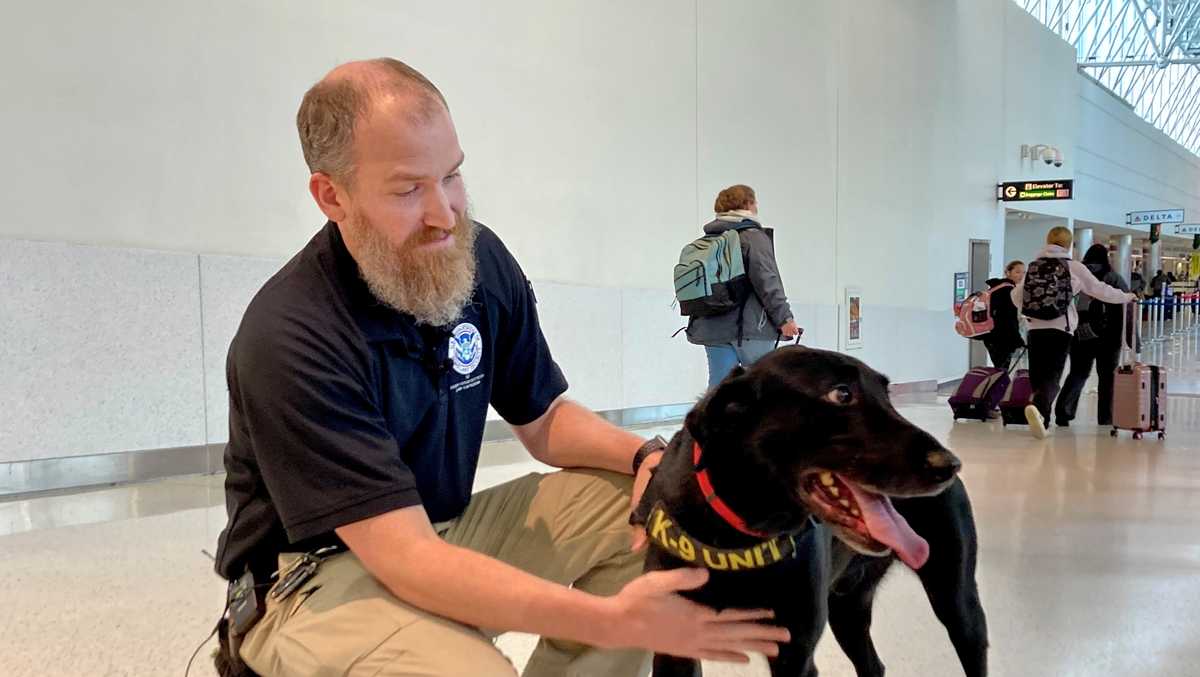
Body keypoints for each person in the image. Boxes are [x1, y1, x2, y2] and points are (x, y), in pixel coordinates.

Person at [212, 58, 788, 677]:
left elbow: (543, 421)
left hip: (438, 529)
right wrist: (613, 620)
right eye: (408, 189)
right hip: (314, 577)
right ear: (333, 196)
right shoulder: (292, 334)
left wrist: (649, 456)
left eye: (452, 176)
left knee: (648, 506)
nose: (445, 212)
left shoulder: (475, 258)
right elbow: (405, 558)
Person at [1014, 227, 1135, 439]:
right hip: (1061, 328)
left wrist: (1030, 312)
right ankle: (1039, 411)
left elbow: (1016, 296)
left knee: (1038, 374)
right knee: (1053, 374)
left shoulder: (1034, 266)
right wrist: (1126, 296)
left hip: (1034, 328)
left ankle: (1043, 416)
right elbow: (1100, 290)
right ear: (1068, 244)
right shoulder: (1073, 267)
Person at [684, 185, 799, 387]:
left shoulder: (708, 240)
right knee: (765, 388)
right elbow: (767, 281)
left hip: (711, 328)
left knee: (720, 390)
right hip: (750, 329)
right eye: (754, 202)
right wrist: (785, 318)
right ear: (747, 204)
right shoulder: (753, 237)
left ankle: (714, 419)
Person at [1054, 245, 1131, 427]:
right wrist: (1129, 337)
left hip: (1080, 334)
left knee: (1078, 373)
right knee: (1107, 378)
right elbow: (1125, 309)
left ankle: (1063, 412)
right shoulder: (1114, 278)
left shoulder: (1077, 274)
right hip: (1109, 336)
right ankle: (1106, 418)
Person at [981, 260, 1025, 370]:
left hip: (991, 336)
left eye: (1024, 272)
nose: (1021, 275)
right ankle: (998, 387)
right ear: (1008, 272)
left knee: (999, 369)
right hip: (1001, 338)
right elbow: (1009, 318)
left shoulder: (996, 287)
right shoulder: (1008, 290)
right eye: (1017, 272)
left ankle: (998, 386)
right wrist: (1018, 340)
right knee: (1002, 371)